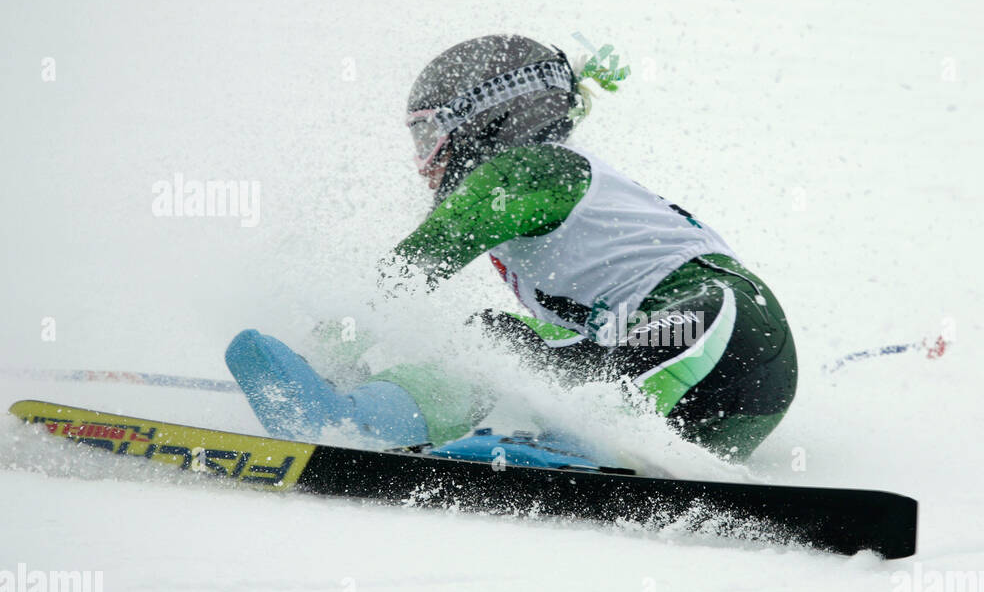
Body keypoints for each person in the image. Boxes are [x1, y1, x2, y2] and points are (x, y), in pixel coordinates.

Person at [226, 34, 797, 461]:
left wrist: (331, 353)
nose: (424, 165)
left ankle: (575, 447)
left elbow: (416, 265)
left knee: (563, 365)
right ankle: (359, 422)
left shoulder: (525, 171)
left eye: (429, 138)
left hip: (719, 330)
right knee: (488, 343)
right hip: (718, 405)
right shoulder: (540, 181)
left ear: (485, 121)